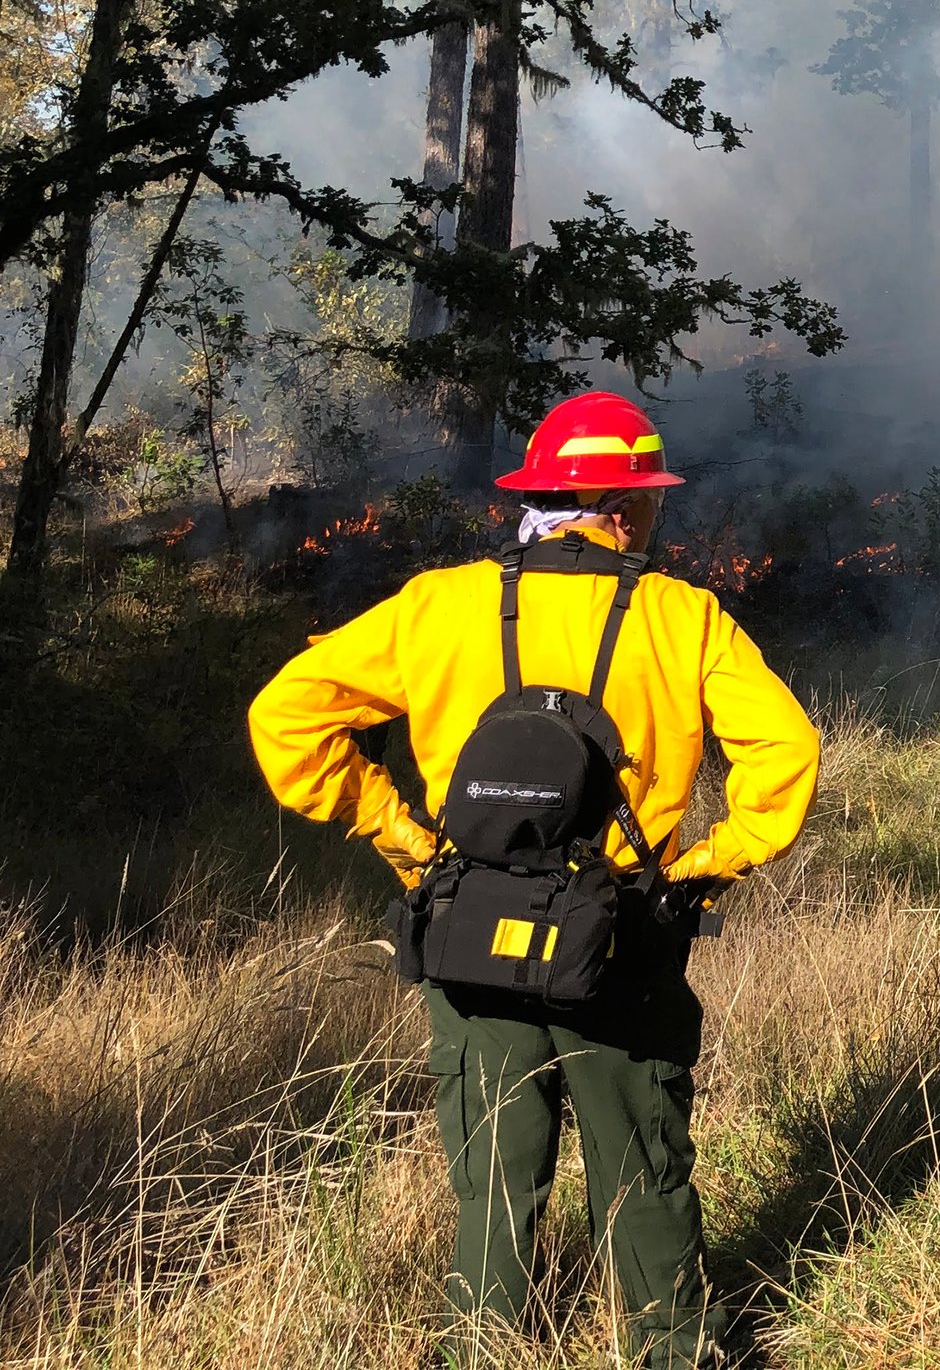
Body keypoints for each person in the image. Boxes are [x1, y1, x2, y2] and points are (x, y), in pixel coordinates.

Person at [248, 391, 819, 1367]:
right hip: (625, 942)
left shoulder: (441, 606)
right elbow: (785, 751)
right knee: (642, 1168)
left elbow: (285, 714)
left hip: (469, 933)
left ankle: (480, 1351)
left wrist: (405, 842)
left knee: (493, 1181)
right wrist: (699, 872)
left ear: (541, 495)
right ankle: (676, 1351)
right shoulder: (684, 620)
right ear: (629, 508)